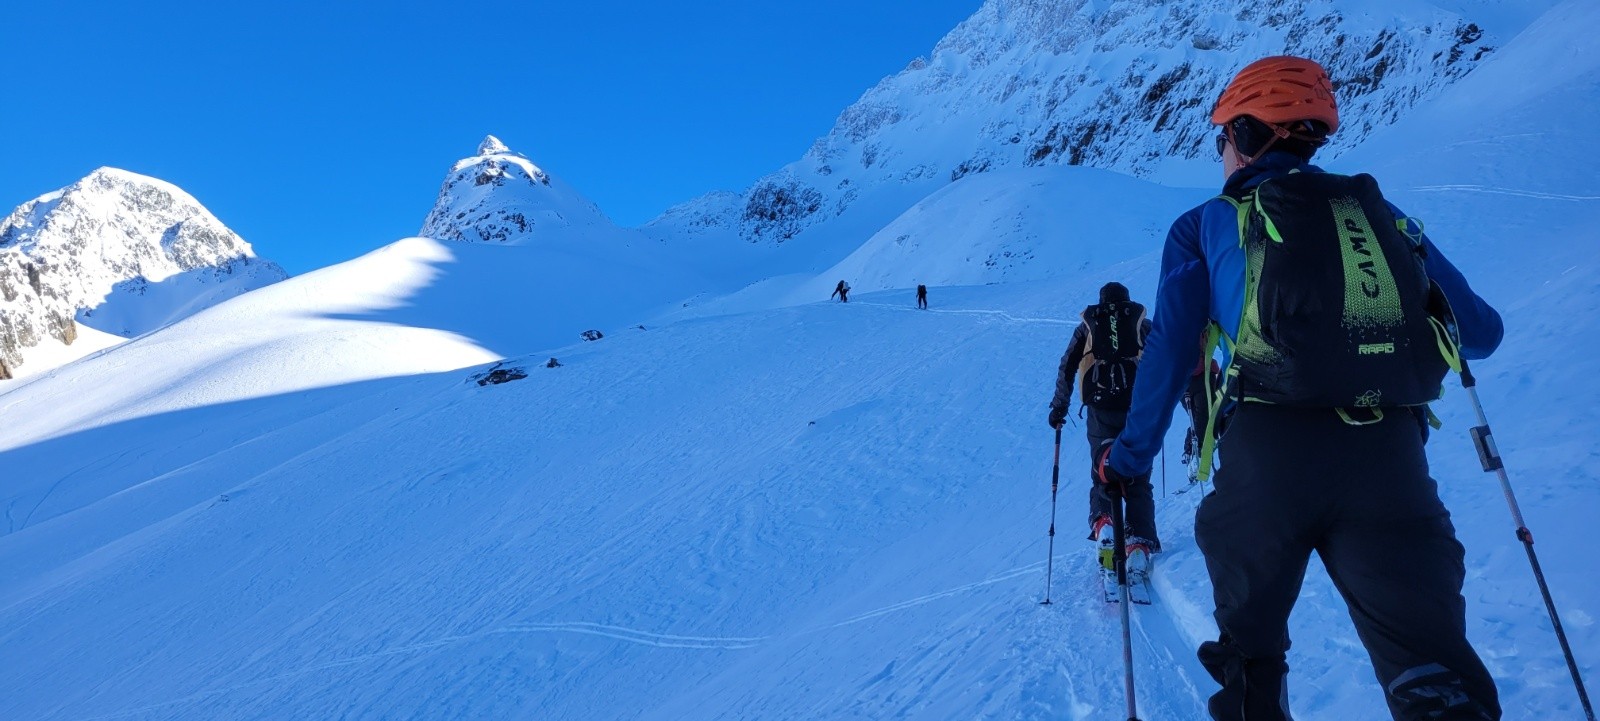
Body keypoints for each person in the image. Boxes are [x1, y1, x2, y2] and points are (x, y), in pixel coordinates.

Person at [1094, 56, 1503, 720]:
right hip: (1390, 462)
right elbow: (1480, 332)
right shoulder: (1379, 215)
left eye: (1221, 137)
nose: (1220, 154)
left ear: (1246, 136)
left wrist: (1127, 459)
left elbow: (1168, 351)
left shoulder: (1205, 223)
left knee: (1252, 663)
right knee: (1433, 671)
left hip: (1266, 462)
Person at [1047, 281, 1160, 552]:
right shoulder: (1140, 323)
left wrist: (1059, 406)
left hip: (1099, 410)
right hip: (1137, 408)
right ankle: (1139, 541)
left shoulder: (1088, 326)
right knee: (1139, 473)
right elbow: (1164, 355)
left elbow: (1068, 364)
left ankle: (1104, 524)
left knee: (1102, 470)